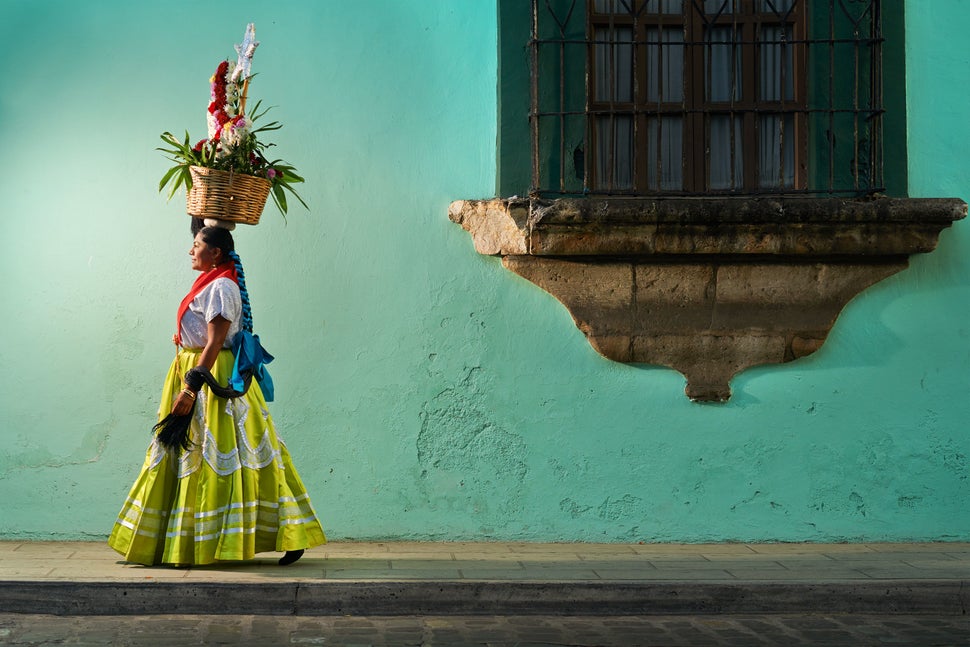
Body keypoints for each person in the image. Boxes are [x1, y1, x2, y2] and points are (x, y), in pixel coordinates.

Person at [108, 223, 326, 566]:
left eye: (197, 244)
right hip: (197, 369)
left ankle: (282, 533)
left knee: (229, 451)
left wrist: (191, 387)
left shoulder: (222, 286)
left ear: (216, 253)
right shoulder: (216, 281)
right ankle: (190, 539)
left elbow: (214, 341)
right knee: (200, 454)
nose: (191, 250)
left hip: (212, 379)